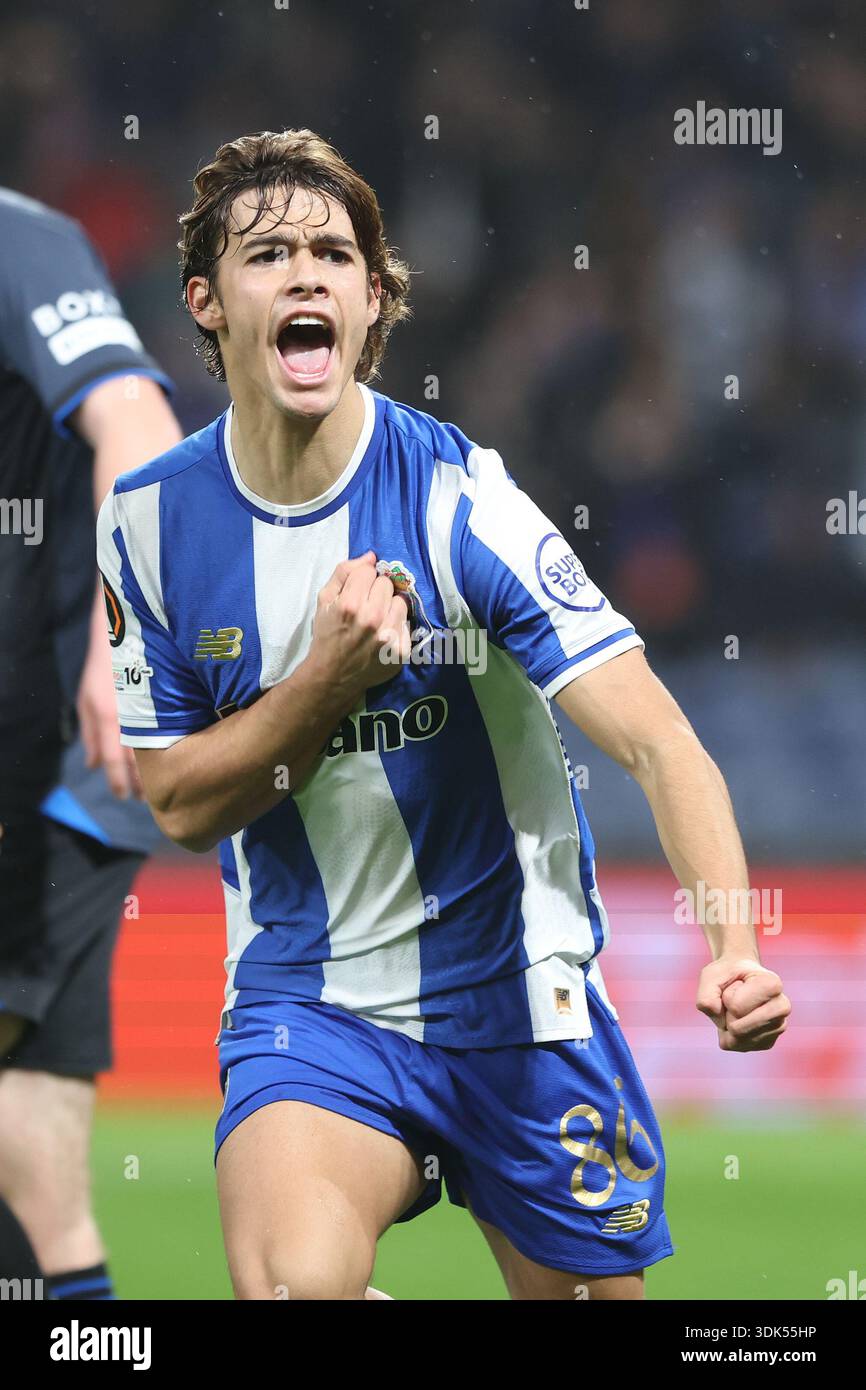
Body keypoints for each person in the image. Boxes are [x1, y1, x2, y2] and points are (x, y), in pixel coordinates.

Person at [96, 129, 791, 1301]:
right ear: (208, 302)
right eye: (269, 255)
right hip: (309, 1001)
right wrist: (324, 680)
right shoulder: (151, 525)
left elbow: (656, 740)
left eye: (334, 253)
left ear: (374, 300)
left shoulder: (464, 501)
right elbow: (177, 803)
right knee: (290, 1289)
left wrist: (731, 945)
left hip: (520, 997)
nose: (307, 273)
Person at [0, 186, 182, 1299]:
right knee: (40, 1182)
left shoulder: (21, 240)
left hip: (50, 777)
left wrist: (120, 657)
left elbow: (141, 430)